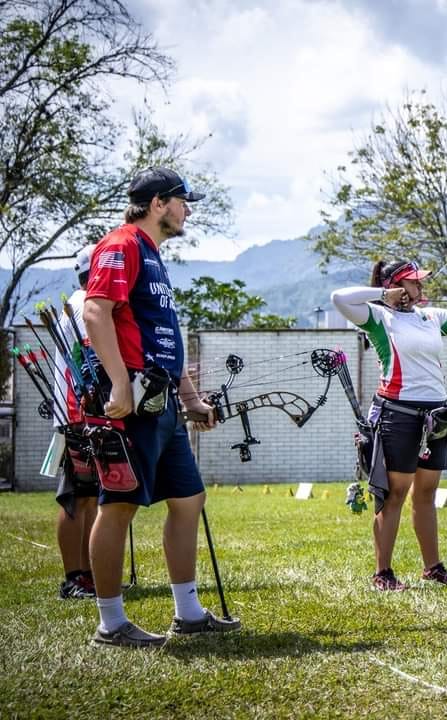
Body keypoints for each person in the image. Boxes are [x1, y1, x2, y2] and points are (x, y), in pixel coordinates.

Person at [82, 167, 239, 647]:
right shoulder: (123, 244)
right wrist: (117, 385)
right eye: (182, 200)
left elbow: (161, 340)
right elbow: (95, 310)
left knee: (189, 500)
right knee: (120, 507)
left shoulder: (152, 256)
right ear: (158, 204)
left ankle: (188, 613)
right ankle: (111, 623)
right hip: (132, 402)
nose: (186, 209)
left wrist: (190, 398)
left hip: (163, 403)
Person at [331, 261, 447, 590]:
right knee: (395, 494)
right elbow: (339, 298)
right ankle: (382, 573)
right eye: (414, 283)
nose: (421, 288)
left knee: (426, 493)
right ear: (397, 287)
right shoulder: (378, 317)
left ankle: (433, 567)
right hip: (398, 414)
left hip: (435, 415)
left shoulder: (431, 317)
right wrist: (383, 295)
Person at [54, 246, 97, 600]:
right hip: (76, 413)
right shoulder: (85, 304)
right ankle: (73, 578)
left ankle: (87, 574)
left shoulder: (81, 301)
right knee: (75, 498)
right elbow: (91, 355)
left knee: (90, 498)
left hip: (83, 413)